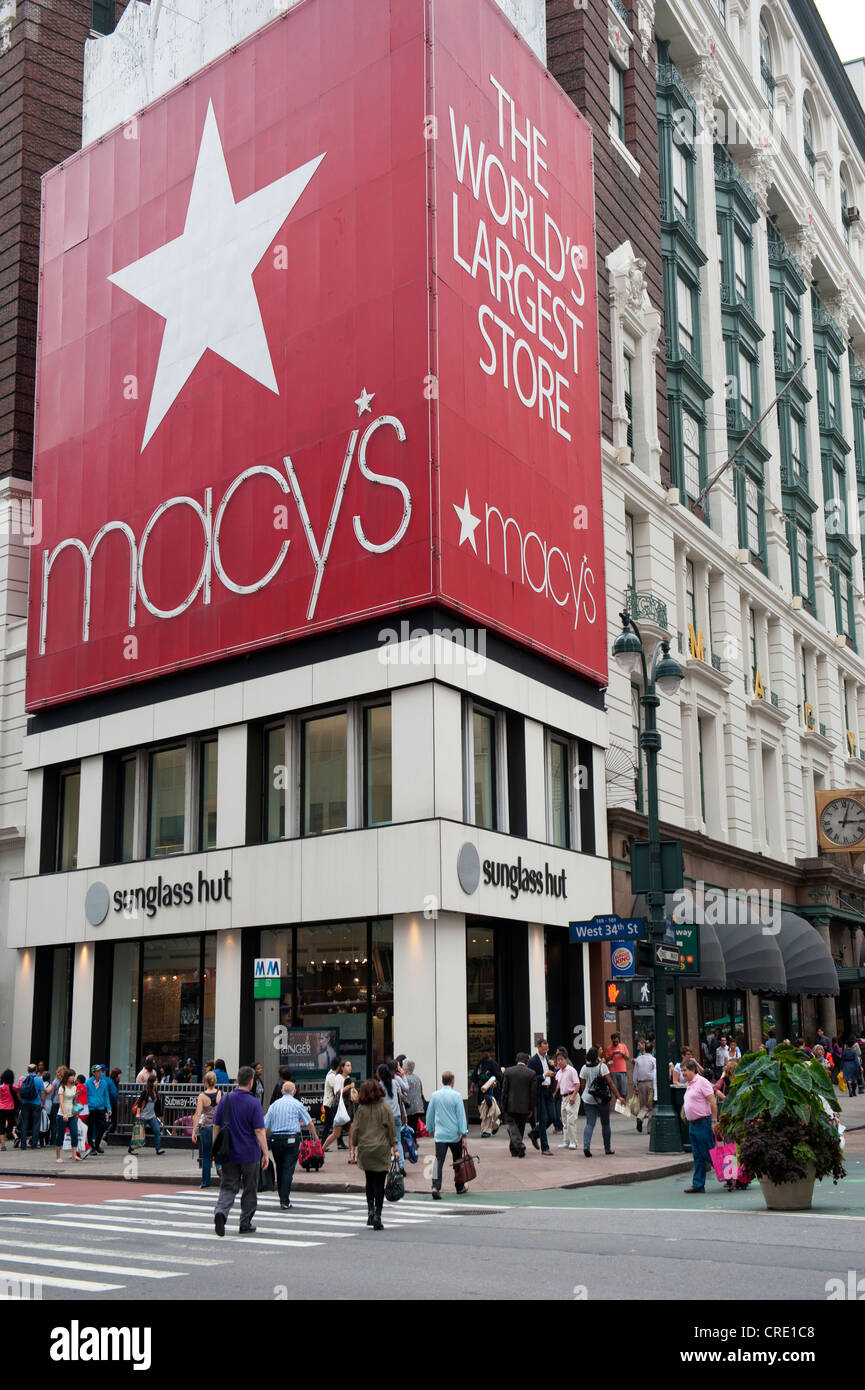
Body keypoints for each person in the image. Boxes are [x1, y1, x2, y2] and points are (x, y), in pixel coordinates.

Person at [211, 1065, 270, 1236]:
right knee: (250, 1188)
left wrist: (215, 1148)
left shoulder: (226, 1099)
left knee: (228, 1186)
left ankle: (221, 1212)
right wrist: (265, 1153)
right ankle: (245, 1223)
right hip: (250, 1154)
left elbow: (216, 1125)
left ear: (237, 1080)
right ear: (251, 1082)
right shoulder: (254, 1103)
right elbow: (259, 1131)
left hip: (229, 1152)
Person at [350, 1078, 398, 1230]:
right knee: (379, 1183)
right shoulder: (385, 1108)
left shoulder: (361, 1110)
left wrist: (353, 1148)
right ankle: (378, 1214)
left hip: (365, 1149)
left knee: (369, 1181)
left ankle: (370, 1211)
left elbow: (355, 1131)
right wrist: (395, 1147)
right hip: (381, 1149)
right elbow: (391, 1129)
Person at [263, 1081, 317, 1210]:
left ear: (282, 1091)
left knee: (280, 1168)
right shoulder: (297, 1104)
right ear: (294, 1092)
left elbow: (265, 1125)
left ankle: (282, 1196)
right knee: (288, 1169)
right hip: (292, 1138)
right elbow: (309, 1122)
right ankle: (284, 1199)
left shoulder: (274, 1105)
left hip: (275, 1139)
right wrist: (315, 1136)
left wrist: (261, 1142)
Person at [425, 1070, 469, 1199]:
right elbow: (461, 1116)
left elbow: (430, 1113)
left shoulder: (435, 1095)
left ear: (442, 1081)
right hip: (454, 1134)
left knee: (438, 1161)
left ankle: (435, 1186)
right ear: (452, 1081)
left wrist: (430, 1128)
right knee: (457, 1160)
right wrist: (464, 1134)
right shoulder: (456, 1096)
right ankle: (459, 1186)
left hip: (440, 1135)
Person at [681, 1057, 719, 1193]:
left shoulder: (702, 1082)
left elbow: (713, 1102)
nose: (683, 1073)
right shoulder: (690, 1084)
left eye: (685, 1070)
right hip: (693, 1125)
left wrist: (714, 1121)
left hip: (703, 1123)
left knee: (708, 1153)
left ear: (692, 1070)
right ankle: (698, 1184)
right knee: (697, 1155)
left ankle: (730, 1176)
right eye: (682, 1071)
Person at [579, 1045, 618, 1157]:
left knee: (590, 1124)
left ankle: (586, 1146)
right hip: (602, 1099)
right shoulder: (602, 1067)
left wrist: (586, 1093)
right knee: (605, 1124)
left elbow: (583, 1084)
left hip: (588, 1098)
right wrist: (618, 1096)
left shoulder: (584, 1068)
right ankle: (607, 1148)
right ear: (596, 1056)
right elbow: (610, 1083)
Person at [500, 1053, 538, 1158]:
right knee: (520, 1127)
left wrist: (503, 1104)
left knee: (512, 1126)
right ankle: (516, 1148)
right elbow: (533, 1094)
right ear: (527, 1061)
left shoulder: (508, 1071)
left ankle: (516, 1148)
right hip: (525, 1106)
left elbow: (504, 1090)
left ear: (517, 1060)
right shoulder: (531, 1073)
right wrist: (531, 1108)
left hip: (510, 1105)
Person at [192, 1071, 222, 1188]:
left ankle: (206, 1182)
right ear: (215, 1082)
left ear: (205, 1082)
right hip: (218, 1127)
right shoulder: (220, 1093)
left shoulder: (202, 1096)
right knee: (218, 1151)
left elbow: (198, 1114)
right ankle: (219, 1167)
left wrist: (194, 1131)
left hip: (206, 1128)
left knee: (206, 1155)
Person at [527, 1040, 556, 1156]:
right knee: (543, 1119)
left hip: (548, 1090)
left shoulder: (547, 1059)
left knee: (553, 1117)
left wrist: (553, 1068)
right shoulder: (533, 1061)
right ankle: (545, 1147)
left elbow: (552, 1073)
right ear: (538, 1048)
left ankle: (534, 1133)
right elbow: (531, 1078)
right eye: (543, 1049)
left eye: (547, 1049)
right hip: (540, 1091)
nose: (545, 1051)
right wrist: (544, 1075)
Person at [322, 1059, 355, 1156]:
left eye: (350, 1065)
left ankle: (352, 1155)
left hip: (349, 1107)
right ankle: (322, 1150)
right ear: (342, 1067)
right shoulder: (338, 1077)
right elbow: (337, 1092)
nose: (350, 1067)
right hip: (340, 1108)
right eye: (347, 1065)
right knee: (336, 1133)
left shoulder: (348, 1077)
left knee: (351, 1132)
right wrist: (349, 1087)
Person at [470, 1048, 502, 1138]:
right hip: (481, 1091)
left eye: (484, 1052)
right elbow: (475, 1076)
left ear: (488, 1053)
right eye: (482, 1053)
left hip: (491, 1091)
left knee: (488, 1110)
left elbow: (499, 1077)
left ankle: (486, 1131)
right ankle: (497, 1123)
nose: (482, 1054)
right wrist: (472, 1087)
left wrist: (495, 1083)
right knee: (481, 1109)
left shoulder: (493, 1064)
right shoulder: (480, 1063)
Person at [129, 1075, 165, 1155]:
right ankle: (131, 1148)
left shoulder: (155, 1091)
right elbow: (139, 1103)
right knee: (138, 1132)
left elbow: (158, 1105)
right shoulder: (146, 1092)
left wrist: (160, 1115)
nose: (157, 1082)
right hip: (143, 1116)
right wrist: (138, 1113)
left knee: (157, 1131)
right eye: (156, 1081)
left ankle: (158, 1149)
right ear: (152, 1083)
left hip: (152, 1116)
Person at [553, 1048, 580, 1149]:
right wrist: (554, 1094)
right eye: (558, 1060)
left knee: (571, 1121)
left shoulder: (571, 1070)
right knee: (564, 1120)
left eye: (561, 1060)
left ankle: (573, 1142)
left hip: (572, 1096)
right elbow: (557, 1086)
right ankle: (566, 1141)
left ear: (566, 1059)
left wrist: (573, 1097)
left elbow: (577, 1084)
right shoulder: (559, 1072)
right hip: (563, 1098)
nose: (559, 1062)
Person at [54, 1069, 82, 1163]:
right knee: (60, 1135)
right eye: (71, 1076)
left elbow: (74, 1100)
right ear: (67, 1077)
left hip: (72, 1114)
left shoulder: (74, 1087)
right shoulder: (62, 1087)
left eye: (74, 1076)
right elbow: (61, 1102)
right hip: (62, 1115)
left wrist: (77, 1095)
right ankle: (58, 1156)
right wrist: (64, 1113)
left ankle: (74, 1155)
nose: (73, 1077)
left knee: (74, 1133)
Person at [16, 1063, 44, 1150]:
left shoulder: (24, 1079)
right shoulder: (39, 1079)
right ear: (36, 1070)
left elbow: (19, 1091)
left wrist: (22, 1101)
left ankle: (23, 1144)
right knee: (36, 1124)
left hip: (25, 1104)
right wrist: (43, 1103)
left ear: (27, 1070)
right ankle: (34, 1144)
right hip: (36, 1104)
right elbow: (42, 1092)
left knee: (24, 1123)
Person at [85, 1065, 112, 1154]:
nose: (100, 1073)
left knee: (104, 1125)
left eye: (100, 1071)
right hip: (91, 1107)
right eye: (98, 1072)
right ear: (93, 1073)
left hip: (100, 1107)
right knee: (90, 1127)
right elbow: (84, 1096)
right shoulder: (88, 1083)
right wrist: (85, 1107)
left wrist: (109, 1108)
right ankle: (91, 1146)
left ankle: (97, 1143)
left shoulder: (104, 1083)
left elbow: (106, 1096)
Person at [632, 1039, 656, 1134]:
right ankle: (650, 1129)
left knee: (643, 1105)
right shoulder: (653, 1060)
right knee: (651, 1106)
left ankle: (639, 1117)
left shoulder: (638, 1059)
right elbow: (655, 1073)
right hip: (650, 1083)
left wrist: (635, 1085)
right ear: (652, 1050)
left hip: (640, 1084)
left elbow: (635, 1073)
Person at [320, 1058, 341, 1146]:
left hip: (331, 1104)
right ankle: (323, 1144)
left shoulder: (333, 1074)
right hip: (330, 1104)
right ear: (338, 1066)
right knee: (329, 1125)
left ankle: (339, 1143)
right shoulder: (331, 1075)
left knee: (337, 1123)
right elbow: (335, 1090)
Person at [403, 1061, 425, 1136]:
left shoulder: (405, 1079)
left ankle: (410, 1145)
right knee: (414, 1128)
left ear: (405, 1069)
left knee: (408, 1129)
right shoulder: (417, 1078)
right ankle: (414, 1143)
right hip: (417, 1108)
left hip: (408, 1108)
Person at [606, 1033, 630, 1100]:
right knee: (616, 1091)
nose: (616, 1043)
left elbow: (628, 1057)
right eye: (614, 1042)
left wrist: (622, 1053)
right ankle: (619, 1107)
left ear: (619, 1040)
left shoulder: (623, 1046)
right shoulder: (608, 1048)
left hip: (622, 1070)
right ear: (612, 1040)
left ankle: (624, 1104)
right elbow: (607, 1059)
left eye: (617, 1041)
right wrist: (613, 1054)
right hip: (613, 1071)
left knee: (624, 1091)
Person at [0, 1069, 16, 1151]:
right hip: (10, 1108)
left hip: (1, 1108)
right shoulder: (12, 1087)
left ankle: (3, 1145)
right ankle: (4, 1137)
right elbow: (19, 1088)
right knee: (10, 1126)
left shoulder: (0, 1087)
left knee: (1, 1126)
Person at [106, 1068, 121, 1133]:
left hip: (111, 1102)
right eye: (120, 1074)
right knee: (114, 1120)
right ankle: (107, 1134)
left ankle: (108, 1134)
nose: (120, 1075)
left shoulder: (113, 1081)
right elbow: (113, 1093)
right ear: (117, 1075)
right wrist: (116, 1101)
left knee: (113, 1120)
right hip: (112, 1103)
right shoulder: (113, 1082)